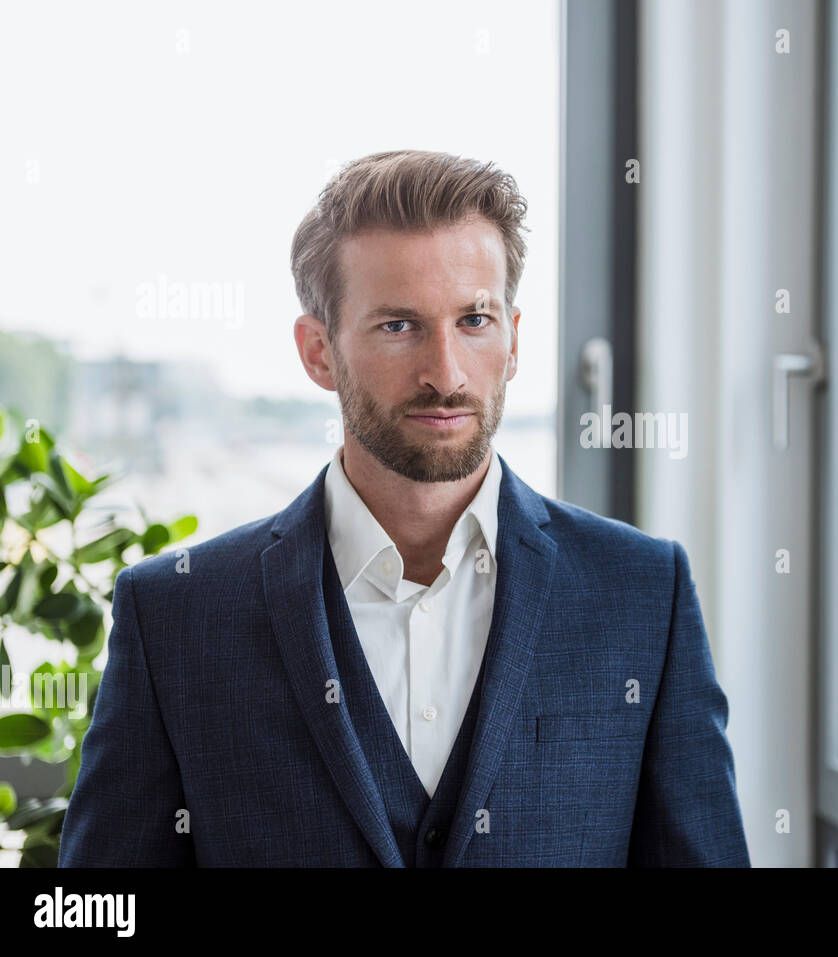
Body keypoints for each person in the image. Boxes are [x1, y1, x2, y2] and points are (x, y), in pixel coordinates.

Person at [58, 150, 749, 867]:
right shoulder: (176, 616)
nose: (445, 374)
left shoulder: (642, 593)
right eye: (398, 326)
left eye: (474, 320)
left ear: (513, 340)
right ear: (318, 351)